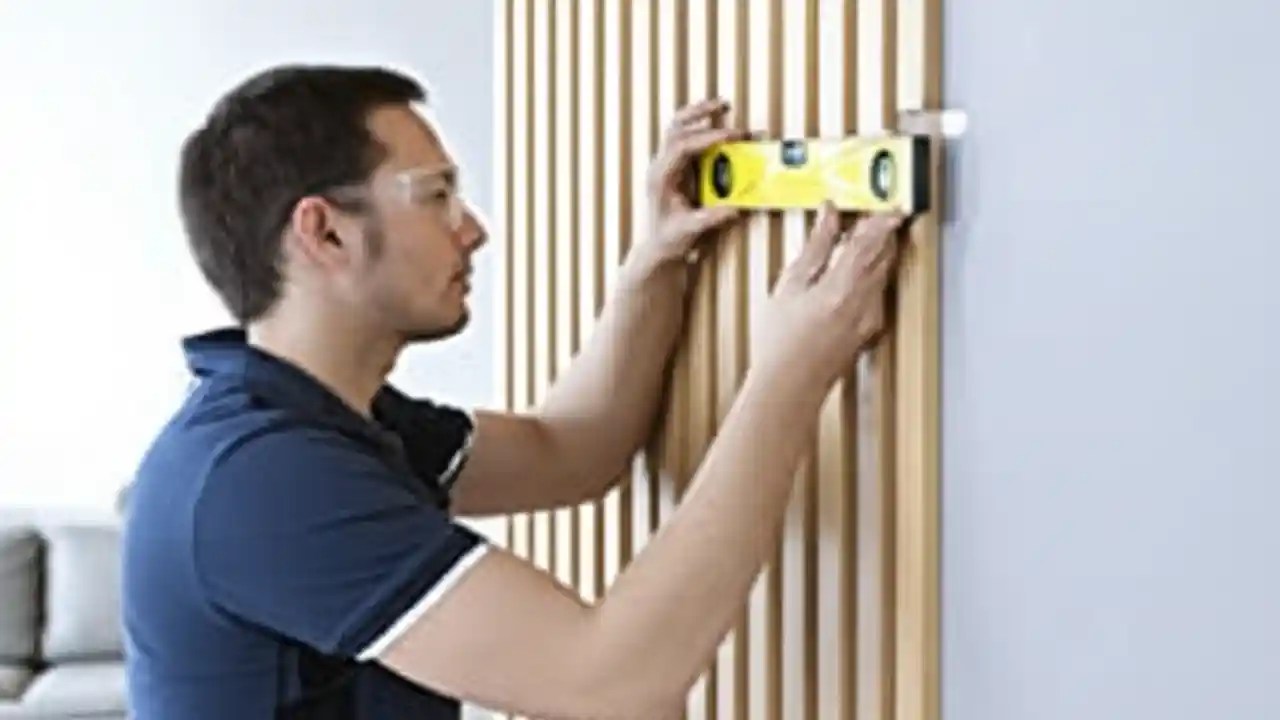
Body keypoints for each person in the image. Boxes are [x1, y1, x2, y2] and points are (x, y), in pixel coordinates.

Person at [121, 63, 904, 720]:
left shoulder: (318, 423)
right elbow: (611, 683)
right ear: (324, 233)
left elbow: (574, 450)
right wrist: (792, 372)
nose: (473, 229)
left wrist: (657, 262)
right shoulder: (262, 480)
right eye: (435, 196)